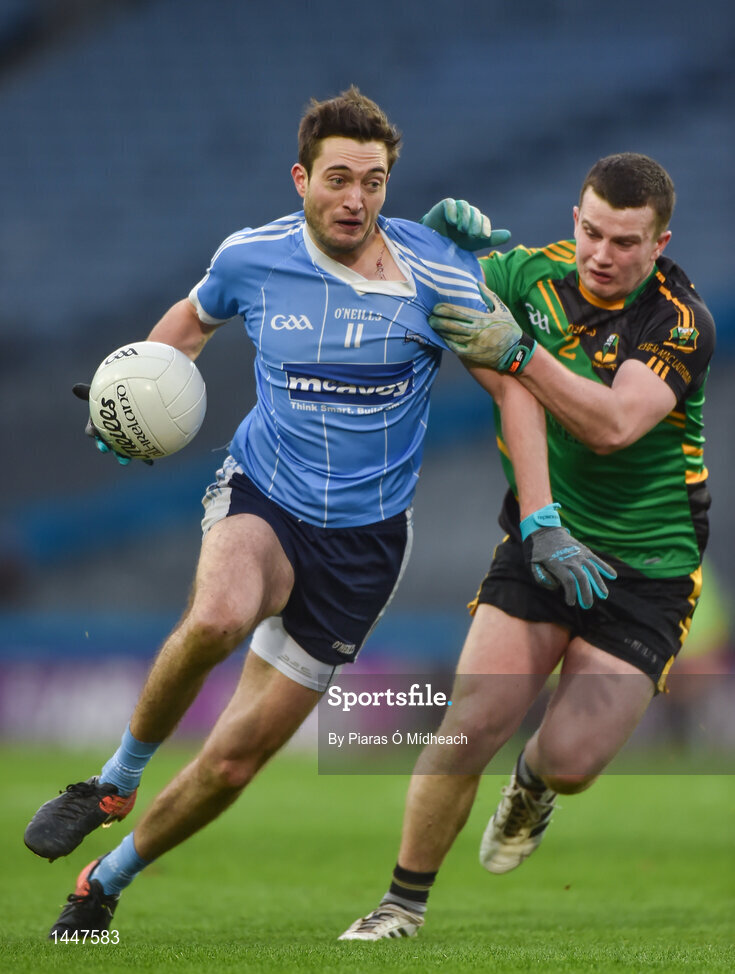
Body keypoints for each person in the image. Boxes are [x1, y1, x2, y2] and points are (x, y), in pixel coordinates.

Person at [25, 88, 609, 940]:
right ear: (300, 177)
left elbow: (513, 388)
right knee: (218, 616)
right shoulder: (251, 257)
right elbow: (188, 324)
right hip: (264, 493)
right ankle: (114, 779)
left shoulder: (437, 273)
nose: (355, 199)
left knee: (232, 762)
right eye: (337, 178)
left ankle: (101, 883)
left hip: (363, 547)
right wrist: (126, 399)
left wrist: (541, 516)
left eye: (372, 181)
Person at [340, 152, 715, 941]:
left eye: (623, 242)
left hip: (648, 569)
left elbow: (613, 426)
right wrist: (425, 249)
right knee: (470, 721)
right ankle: (399, 905)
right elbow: (391, 277)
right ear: (573, 219)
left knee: (572, 762)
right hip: (542, 541)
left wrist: (520, 352)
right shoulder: (521, 276)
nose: (601, 256)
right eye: (590, 232)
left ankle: (534, 785)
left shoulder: (679, 322)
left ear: (659, 243)